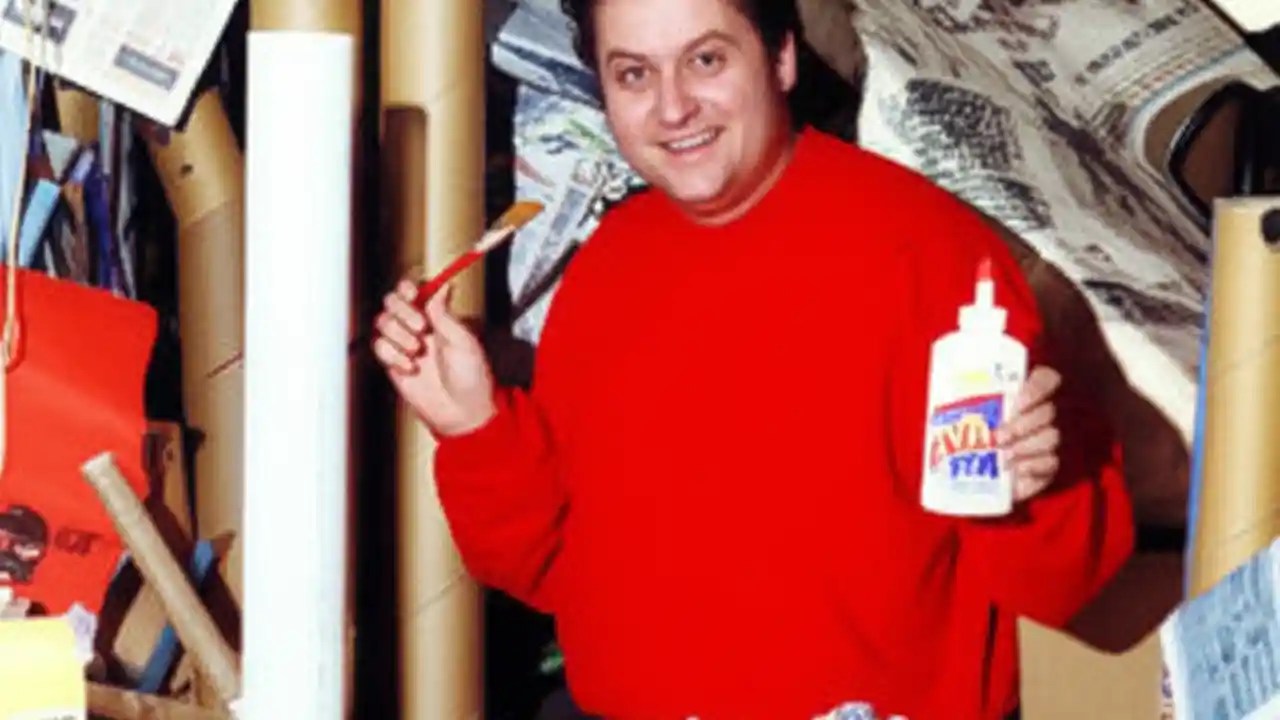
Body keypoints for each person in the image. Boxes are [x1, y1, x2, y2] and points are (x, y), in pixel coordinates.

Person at [372, 0, 1135, 717]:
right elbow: (554, 573)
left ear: (781, 60)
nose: (672, 107)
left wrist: (1041, 477)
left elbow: (1064, 582)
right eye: (634, 73)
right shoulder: (605, 273)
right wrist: (475, 426)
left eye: (706, 60)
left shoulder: (928, 255)